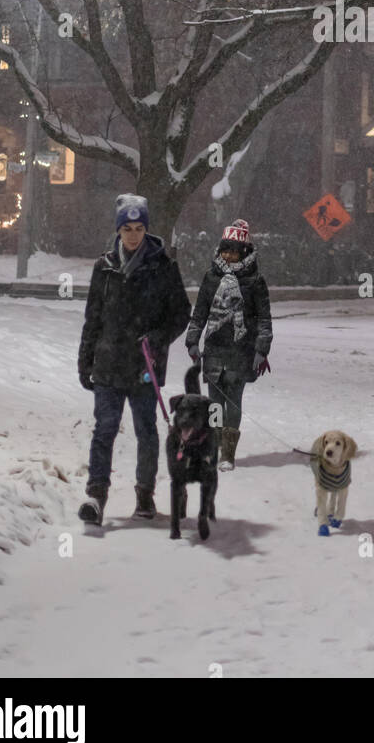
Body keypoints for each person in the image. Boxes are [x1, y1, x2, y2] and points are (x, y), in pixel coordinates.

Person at [77, 194, 191, 523]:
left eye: (139, 228)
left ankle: (144, 494)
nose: (132, 234)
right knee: (104, 430)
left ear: (146, 229)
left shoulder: (163, 266)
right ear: (118, 230)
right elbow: (93, 317)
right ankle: (96, 496)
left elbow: (181, 313)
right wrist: (85, 359)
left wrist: (156, 339)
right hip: (109, 364)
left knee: (146, 431)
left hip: (145, 367)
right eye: (126, 228)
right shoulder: (105, 267)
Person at [185, 218, 272, 471]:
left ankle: (228, 452)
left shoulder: (255, 282)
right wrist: (192, 341)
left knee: (233, 402)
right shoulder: (211, 278)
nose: (229, 255)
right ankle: (212, 448)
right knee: (214, 404)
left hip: (241, 352)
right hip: (213, 351)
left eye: (234, 250)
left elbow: (264, 318)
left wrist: (261, 349)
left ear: (244, 251)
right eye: (225, 249)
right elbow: (199, 312)